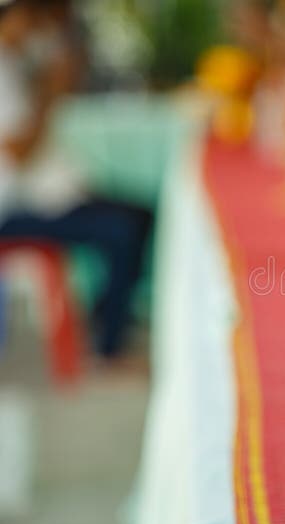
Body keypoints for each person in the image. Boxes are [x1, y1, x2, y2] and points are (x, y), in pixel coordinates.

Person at [0, 0, 152, 359]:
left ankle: (106, 317)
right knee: (121, 232)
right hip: (17, 206)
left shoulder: (19, 64)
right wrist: (51, 91)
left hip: (48, 193)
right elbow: (19, 153)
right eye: (32, 18)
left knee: (140, 216)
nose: (38, 27)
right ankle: (109, 346)